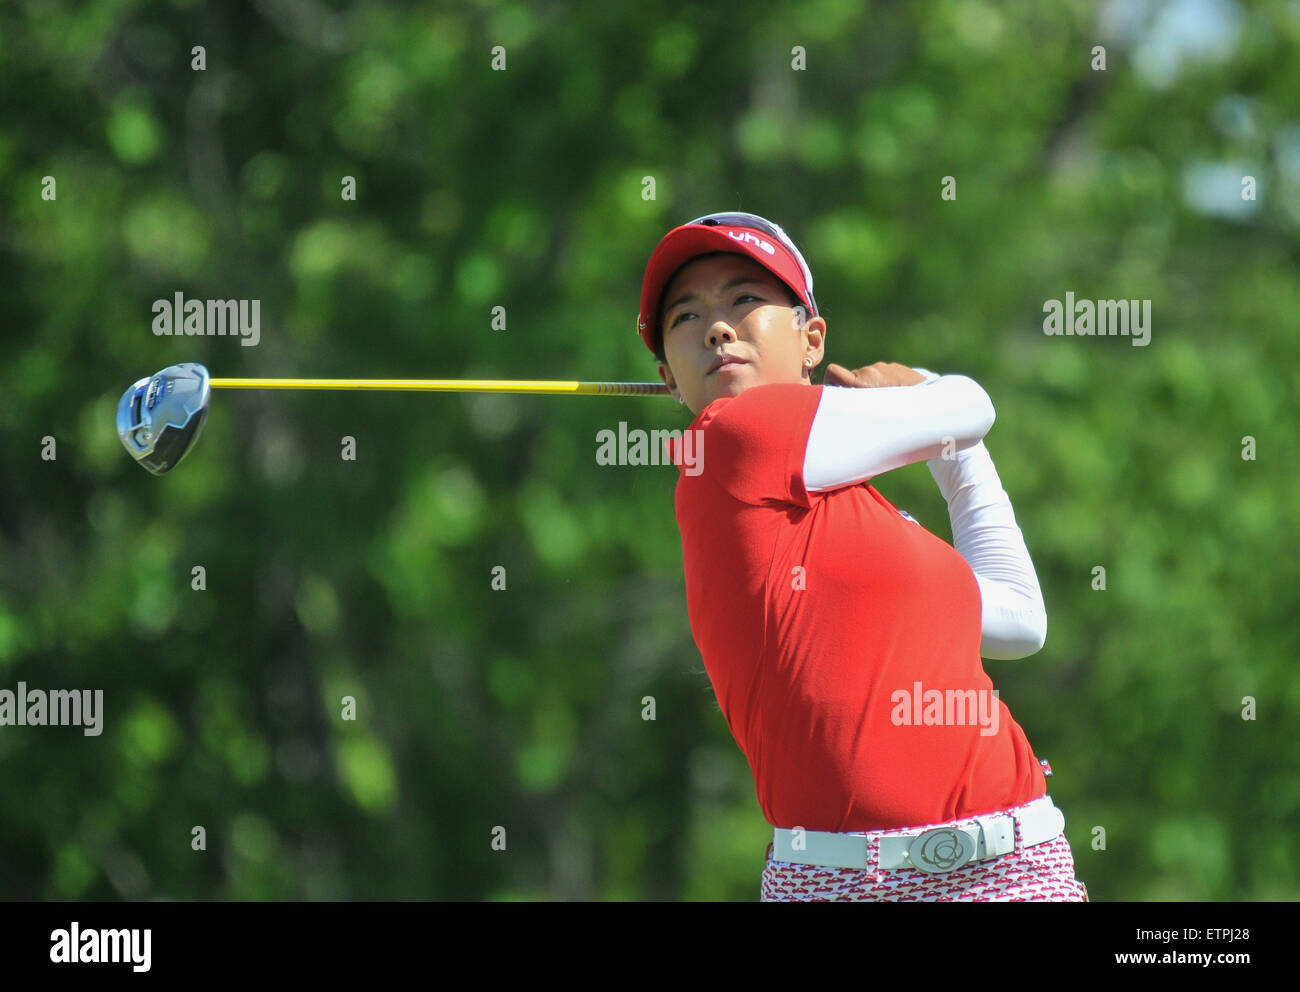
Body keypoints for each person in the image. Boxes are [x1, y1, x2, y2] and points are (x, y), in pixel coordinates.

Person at [636, 211, 1088, 901]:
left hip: (1010, 865)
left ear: (811, 339)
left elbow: (1020, 621)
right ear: (672, 379)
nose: (717, 327)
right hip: (836, 881)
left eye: (745, 300)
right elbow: (971, 402)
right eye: (686, 316)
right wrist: (927, 386)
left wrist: (958, 448)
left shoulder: (874, 523)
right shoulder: (728, 437)